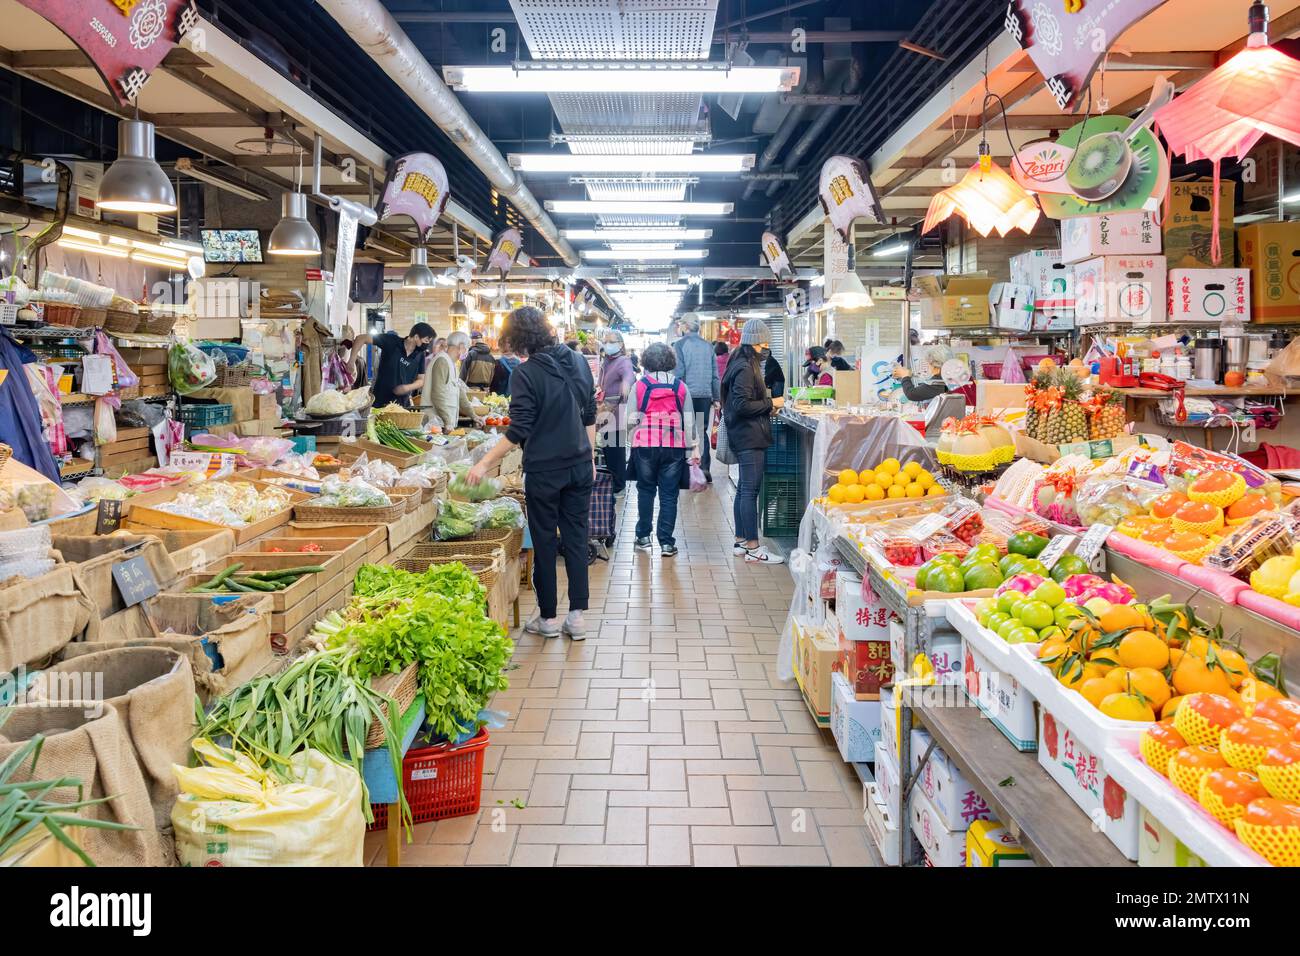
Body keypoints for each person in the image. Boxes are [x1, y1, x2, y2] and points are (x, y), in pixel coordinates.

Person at [468, 306, 597, 640]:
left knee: (543, 539)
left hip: (545, 470)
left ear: (519, 337)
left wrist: (483, 463)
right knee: (576, 538)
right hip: (581, 465)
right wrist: (591, 458)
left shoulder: (525, 374)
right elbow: (590, 415)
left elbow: (518, 429)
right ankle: (578, 618)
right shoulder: (579, 361)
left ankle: (550, 620)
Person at [722, 319, 784, 565]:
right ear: (753, 343)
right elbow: (742, 405)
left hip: (744, 433)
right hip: (748, 435)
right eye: (763, 343)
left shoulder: (740, 363)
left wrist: (767, 408)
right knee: (750, 490)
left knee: (743, 491)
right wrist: (772, 404)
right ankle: (754, 548)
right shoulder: (747, 368)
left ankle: (740, 541)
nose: (766, 348)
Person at [630, 342, 698, 558]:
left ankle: (643, 537)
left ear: (646, 361)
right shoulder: (680, 386)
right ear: (670, 361)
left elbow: (630, 419)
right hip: (673, 447)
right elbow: (689, 422)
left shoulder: (640, 386)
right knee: (669, 495)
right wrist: (693, 448)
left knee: (646, 490)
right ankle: (667, 543)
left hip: (645, 446)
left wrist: (635, 437)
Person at [671, 313, 720, 483]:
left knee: (686, 431)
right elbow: (715, 375)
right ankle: (705, 469)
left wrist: (674, 396)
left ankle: (688, 471)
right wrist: (717, 397)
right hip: (705, 395)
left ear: (685, 326)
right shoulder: (708, 346)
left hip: (687, 395)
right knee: (701, 431)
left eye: (680, 325)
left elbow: (679, 374)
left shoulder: (680, 345)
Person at [349, 322, 434, 409]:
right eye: (426, 341)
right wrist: (351, 362)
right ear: (416, 337)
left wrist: (407, 388)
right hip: (380, 400)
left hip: (402, 405)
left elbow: (421, 380)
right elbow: (361, 338)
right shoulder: (391, 341)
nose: (427, 344)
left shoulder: (420, 355)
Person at [596, 330, 635, 495]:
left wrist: (626, 385)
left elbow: (629, 376)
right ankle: (614, 484)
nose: (607, 344)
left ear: (620, 344)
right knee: (608, 449)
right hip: (605, 410)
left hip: (616, 412)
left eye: (611, 341)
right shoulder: (607, 361)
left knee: (615, 451)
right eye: (605, 341)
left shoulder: (623, 361)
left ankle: (619, 487)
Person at [423, 330, 478, 430]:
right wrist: (447, 421)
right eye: (466, 349)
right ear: (461, 347)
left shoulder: (452, 364)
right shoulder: (442, 361)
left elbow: (460, 393)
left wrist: (474, 415)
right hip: (436, 424)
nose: (466, 352)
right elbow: (437, 394)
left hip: (445, 424)